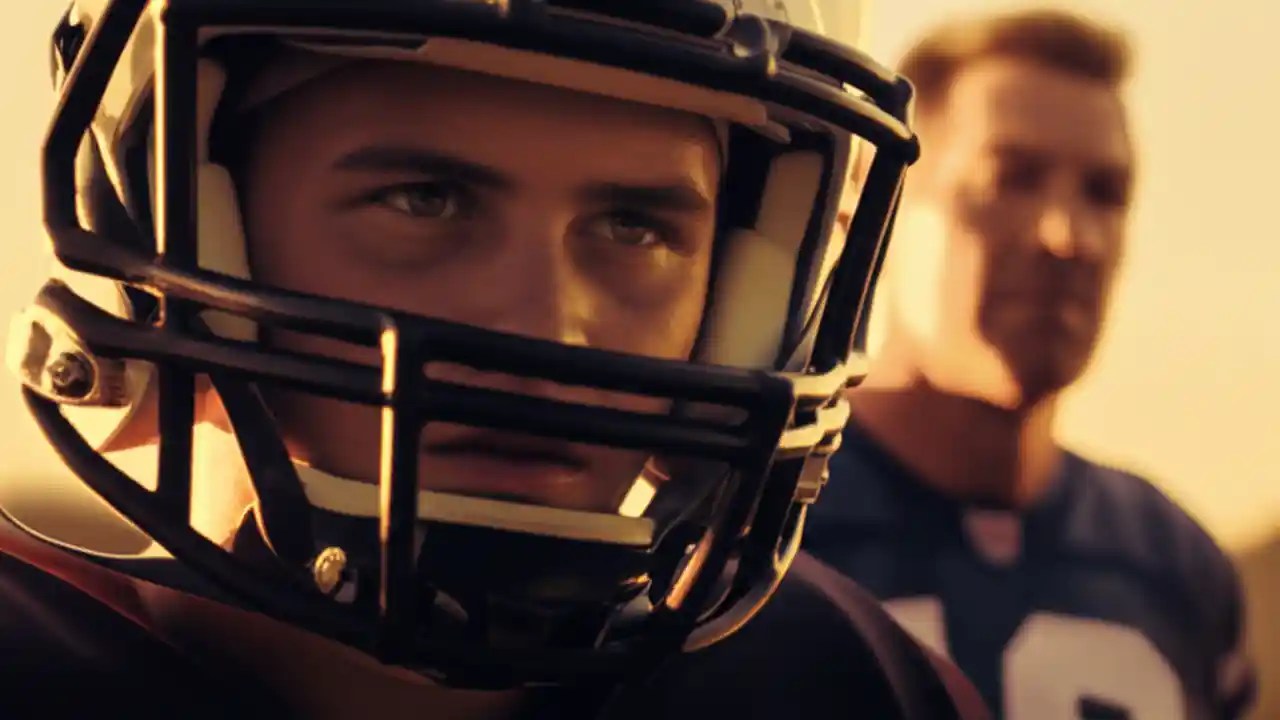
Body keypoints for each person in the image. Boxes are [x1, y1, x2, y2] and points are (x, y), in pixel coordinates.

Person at [0, 0, 990, 718]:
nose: (546, 326)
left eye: (632, 225)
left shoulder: (843, 687)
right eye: (425, 199)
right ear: (181, 227)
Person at [803, 9, 1256, 719]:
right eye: (1012, 178)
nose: (1067, 237)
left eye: (1104, 194)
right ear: (876, 203)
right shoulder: (756, 528)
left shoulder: (1175, 564)